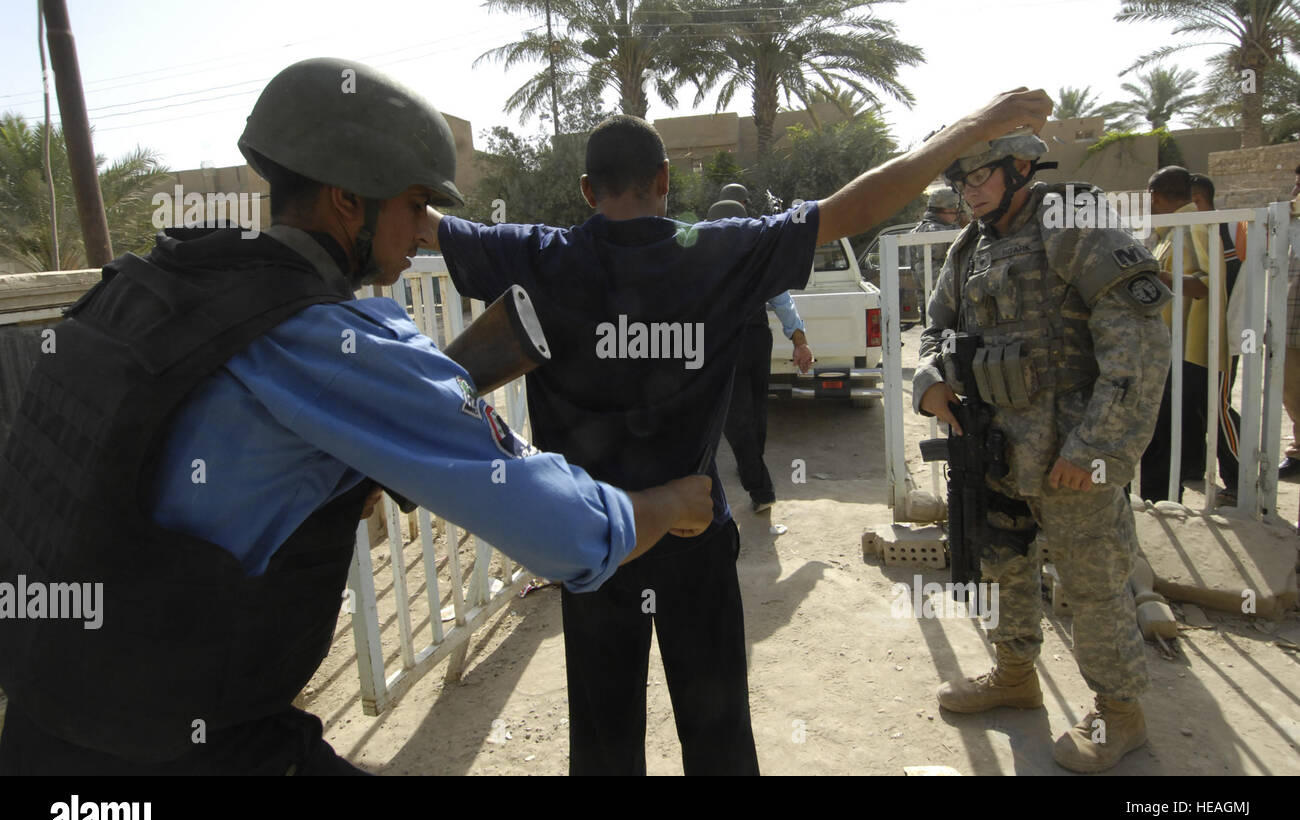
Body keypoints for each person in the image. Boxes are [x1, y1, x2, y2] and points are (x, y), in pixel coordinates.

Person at [0, 58, 714, 776]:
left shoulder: (148, 289)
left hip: (47, 722)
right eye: (413, 206)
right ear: (348, 200)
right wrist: (662, 503)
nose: (421, 231)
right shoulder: (326, 337)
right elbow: (568, 531)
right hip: (177, 744)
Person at [429, 90, 1053, 775]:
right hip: (693, 533)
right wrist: (976, 123)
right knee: (718, 737)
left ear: (585, 190)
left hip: (595, 540)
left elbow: (419, 225)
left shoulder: (539, 255)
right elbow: (859, 203)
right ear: (665, 180)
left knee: (604, 747)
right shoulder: (720, 253)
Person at [916, 132, 1172, 773]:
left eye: (979, 178)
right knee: (1004, 566)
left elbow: (1137, 354)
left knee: (1093, 586)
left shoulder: (1076, 229)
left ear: (1020, 167)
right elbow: (935, 327)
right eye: (959, 183)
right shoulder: (970, 246)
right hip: (996, 450)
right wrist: (931, 385)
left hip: (1072, 456)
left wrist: (1095, 450)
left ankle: (1121, 714)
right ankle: (1014, 676)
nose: (968, 192)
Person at [706, 196, 815, 513]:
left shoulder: (708, 262)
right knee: (753, 412)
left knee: (738, 416)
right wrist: (799, 340)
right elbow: (783, 302)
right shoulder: (759, 256)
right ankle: (754, 470)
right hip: (756, 339)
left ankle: (759, 486)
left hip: (731, 343)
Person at [1138, 166, 1231, 504]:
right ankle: (1160, 495)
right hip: (1173, 346)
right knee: (1167, 425)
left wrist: (1157, 275)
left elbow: (1208, 283)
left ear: (1155, 196)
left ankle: (1236, 483)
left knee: (1200, 419)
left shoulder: (1194, 226)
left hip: (1194, 345)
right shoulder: (1172, 232)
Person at [1188, 173, 1241, 502]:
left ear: (1197, 200)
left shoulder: (1220, 234)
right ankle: (1193, 465)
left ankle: (1239, 480)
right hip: (1195, 339)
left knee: (1218, 406)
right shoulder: (1195, 233)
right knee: (1194, 402)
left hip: (1220, 339)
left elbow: (1226, 292)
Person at [905, 188, 960, 324]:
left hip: (937, 305)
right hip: (942, 308)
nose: (957, 214)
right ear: (945, 210)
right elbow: (934, 279)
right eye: (955, 210)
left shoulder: (924, 229)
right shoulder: (932, 231)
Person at [1277, 165, 1300, 479]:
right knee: (1292, 392)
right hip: (1292, 321)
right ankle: (1298, 450)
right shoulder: (1292, 224)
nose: (1295, 192)